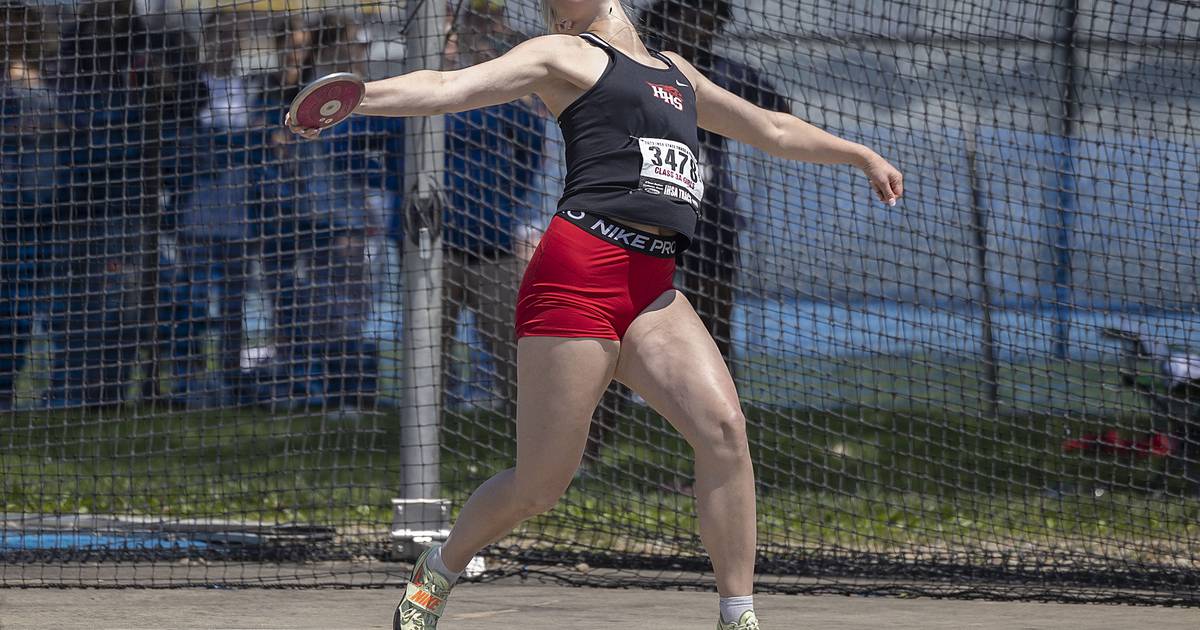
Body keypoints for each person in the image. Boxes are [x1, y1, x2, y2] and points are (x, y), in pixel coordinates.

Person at [287, 1, 903, 627]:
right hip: (577, 276)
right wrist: (354, 97)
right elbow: (447, 86)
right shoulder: (564, 56)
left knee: (724, 434)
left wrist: (859, 153)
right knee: (541, 485)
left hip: (655, 286)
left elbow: (772, 129)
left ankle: (736, 615)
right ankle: (439, 568)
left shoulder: (677, 72)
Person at [441, 0, 544, 416]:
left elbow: (532, 148)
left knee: (508, 342)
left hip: (494, 242)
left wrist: (508, 198)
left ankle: (521, 419)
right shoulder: (430, 88)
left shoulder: (502, 93)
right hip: (435, 243)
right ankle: (433, 418)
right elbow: (371, 142)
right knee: (429, 347)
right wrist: (387, 182)